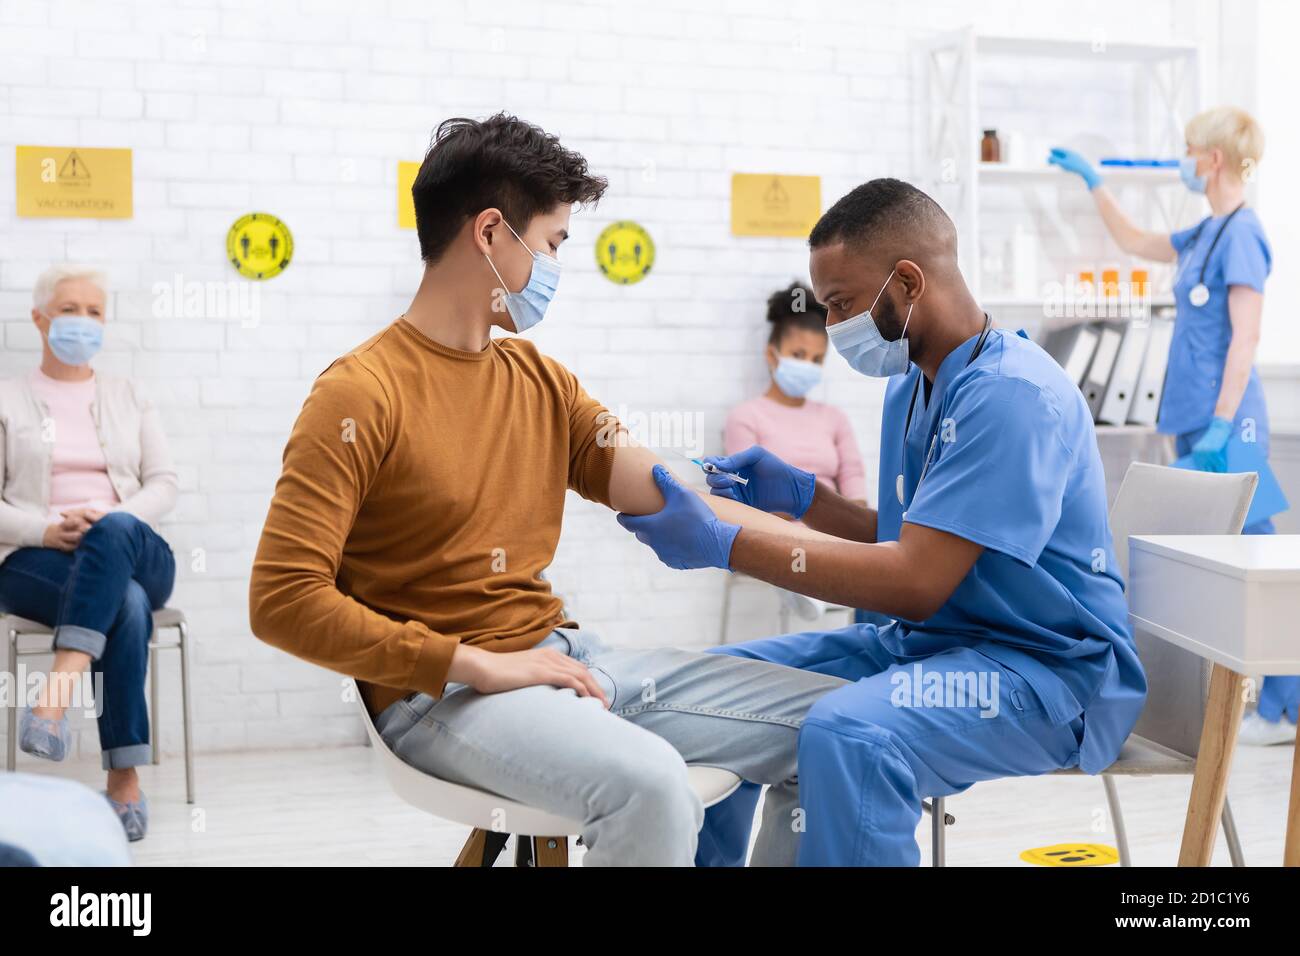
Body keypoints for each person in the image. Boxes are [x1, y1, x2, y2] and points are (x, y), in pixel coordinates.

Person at [248, 114, 850, 866]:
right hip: (441, 696)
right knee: (652, 788)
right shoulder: (359, 394)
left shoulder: (539, 381)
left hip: (564, 658)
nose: (558, 265)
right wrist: (474, 664)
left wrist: (884, 549)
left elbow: (663, 489)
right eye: (555, 242)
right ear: (491, 233)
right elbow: (281, 600)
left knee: (839, 727)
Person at [617, 178, 1148, 866]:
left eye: (841, 304)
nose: (835, 328)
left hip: (1044, 672)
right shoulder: (912, 386)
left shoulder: (1013, 397)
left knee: (851, 735)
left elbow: (915, 581)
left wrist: (728, 543)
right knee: (707, 692)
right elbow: (909, 535)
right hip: (933, 645)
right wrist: (806, 498)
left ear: (907, 281)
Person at [1051, 106, 1296, 745]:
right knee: (1228, 553)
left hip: (1230, 425)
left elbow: (1246, 338)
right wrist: (1092, 181)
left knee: (1259, 552)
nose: (1182, 158)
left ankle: (1284, 707)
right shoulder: (1207, 233)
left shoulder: (1243, 234)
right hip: (1195, 421)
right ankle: (1258, 703)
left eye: (1189, 148)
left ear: (1212, 158)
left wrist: (1219, 428)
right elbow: (1135, 242)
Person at [0, 264, 178, 842]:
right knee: (123, 605)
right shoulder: (6, 399)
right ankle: (124, 781)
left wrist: (109, 520)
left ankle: (53, 697)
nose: (83, 322)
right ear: (39, 319)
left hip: (131, 546)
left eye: (94, 312)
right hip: (38, 557)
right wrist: (49, 529)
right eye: (69, 310)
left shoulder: (129, 394)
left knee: (116, 530)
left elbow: (163, 483)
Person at [722, 281, 875, 625]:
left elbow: (853, 477)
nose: (807, 365)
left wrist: (853, 520)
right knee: (789, 539)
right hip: (776, 524)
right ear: (771, 353)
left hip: (833, 526)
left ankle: (811, 581)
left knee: (873, 552)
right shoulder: (746, 417)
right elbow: (746, 490)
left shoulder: (833, 418)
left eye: (817, 359)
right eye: (798, 355)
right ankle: (808, 580)